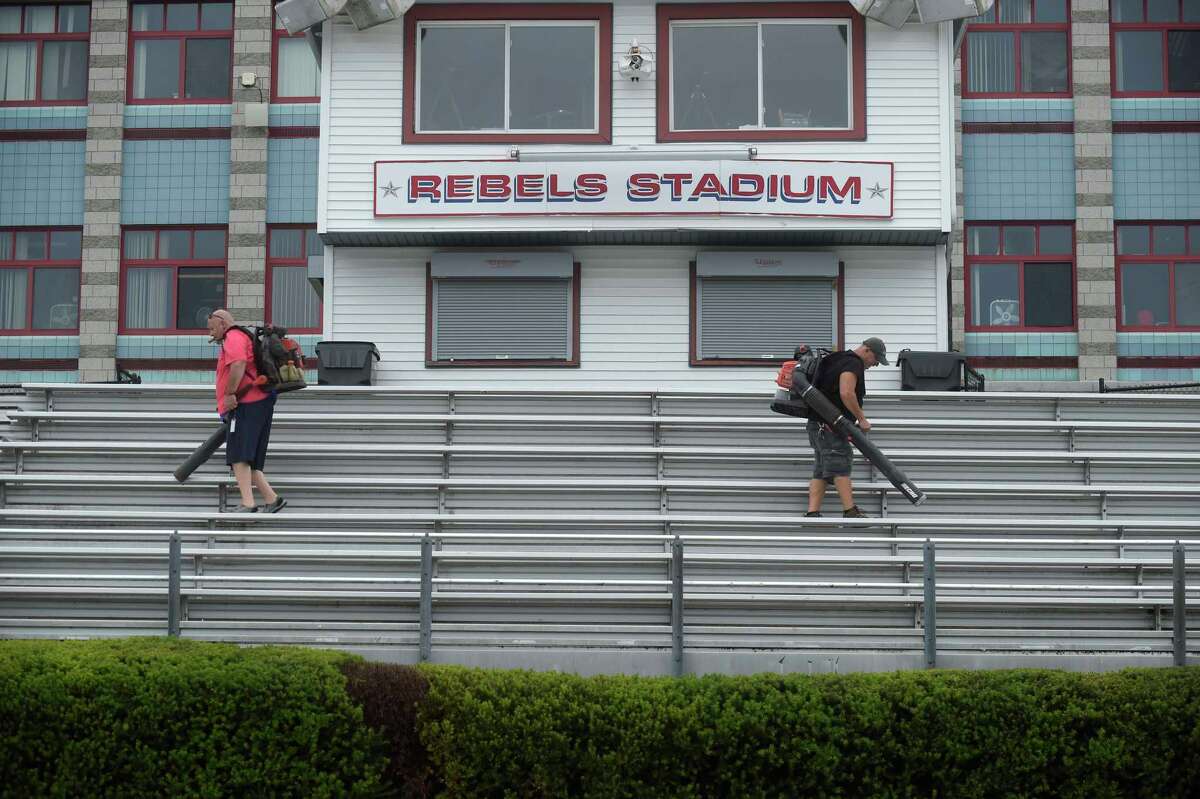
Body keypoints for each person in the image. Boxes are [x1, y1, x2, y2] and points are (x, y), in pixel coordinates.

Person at [207, 309, 286, 514]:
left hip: (246, 404)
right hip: (258, 402)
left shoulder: (233, 336)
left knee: (239, 455)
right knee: (247, 458)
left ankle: (248, 503)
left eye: (212, 328)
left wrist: (230, 394)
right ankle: (272, 499)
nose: (210, 333)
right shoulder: (243, 336)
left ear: (223, 323)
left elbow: (239, 364)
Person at [805, 337, 888, 519]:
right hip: (830, 426)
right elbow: (846, 392)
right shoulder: (853, 363)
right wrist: (862, 419)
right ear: (867, 350)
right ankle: (850, 511)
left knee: (821, 469)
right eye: (876, 360)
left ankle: (812, 512)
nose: (875, 365)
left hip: (816, 425)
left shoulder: (838, 358)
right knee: (841, 463)